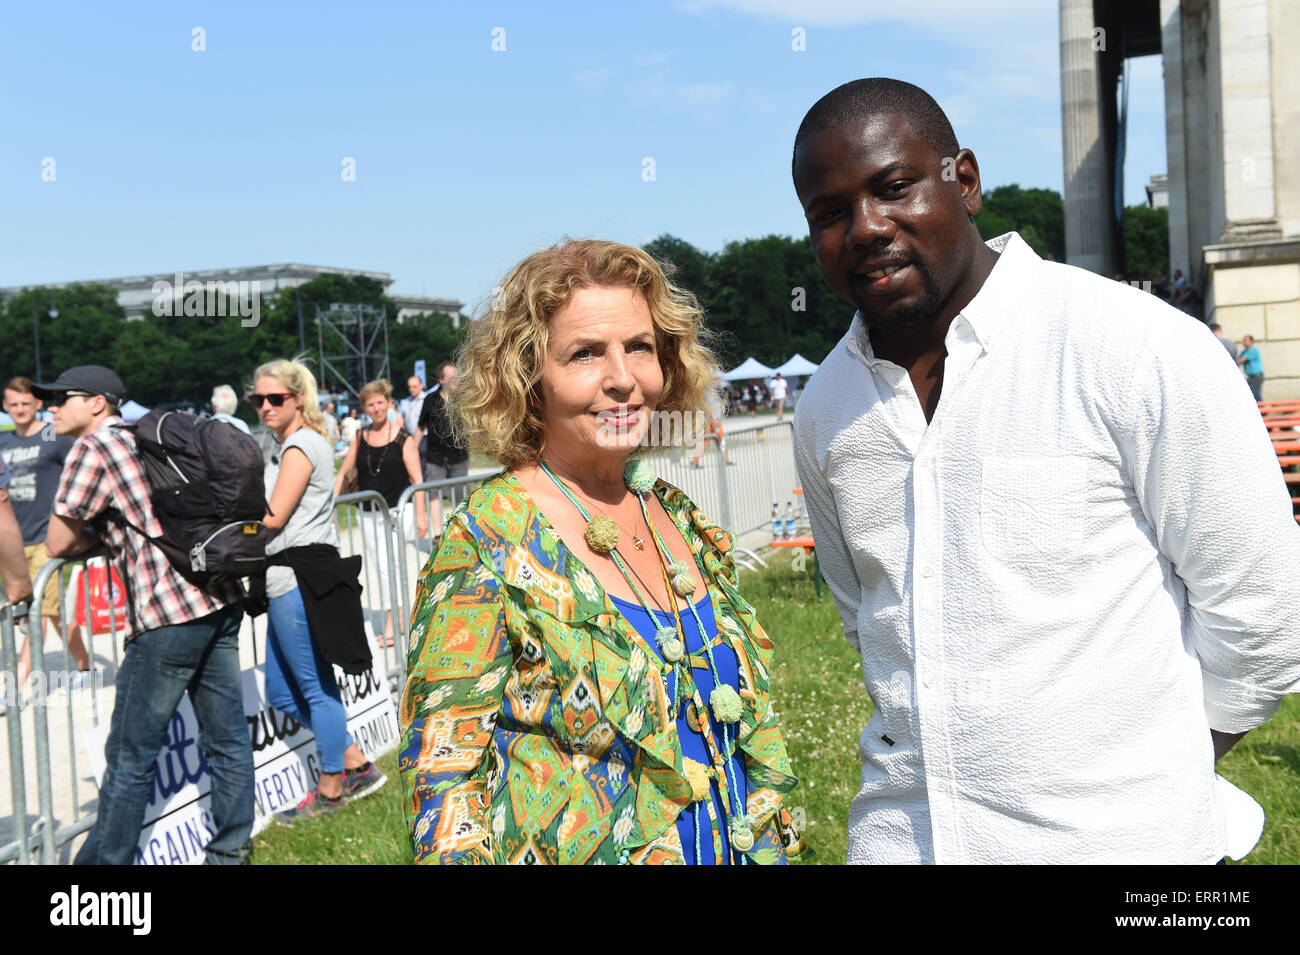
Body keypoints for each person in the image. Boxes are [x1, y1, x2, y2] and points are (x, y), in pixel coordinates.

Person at [789, 78, 1300, 864]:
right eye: (829, 212)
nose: (865, 228)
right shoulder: (825, 408)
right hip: (902, 840)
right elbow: (870, 620)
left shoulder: (1135, 347)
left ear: (964, 181)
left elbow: (1264, 613)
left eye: (894, 188)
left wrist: (1144, 772)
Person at [400, 239, 805, 865]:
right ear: (528, 377)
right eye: (585, 354)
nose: (622, 378)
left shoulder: (674, 514)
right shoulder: (485, 541)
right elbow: (442, 781)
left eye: (639, 347)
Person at [35, 365, 253, 865]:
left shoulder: (93, 449)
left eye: (60, 398)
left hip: (165, 614)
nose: (51, 407)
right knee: (228, 741)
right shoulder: (150, 439)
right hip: (217, 597)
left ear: (96, 403)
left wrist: (99, 536)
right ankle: (230, 854)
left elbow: (57, 541)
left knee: (131, 756)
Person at [251, 360, 387, 822]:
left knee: (314, 689)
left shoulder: (300, 444)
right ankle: (355, 761)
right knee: (280, 692)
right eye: (257, 399)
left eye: (275, 398)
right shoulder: (289, 444)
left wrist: (224, 530)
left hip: (299, 578)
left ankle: (331, 790)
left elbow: (272, 517)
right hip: (285, 577)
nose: (265, 407)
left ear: (297, 398)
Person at [1, 377, 90, 694]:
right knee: (53, 615)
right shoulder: (4, 442)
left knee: (38, 611)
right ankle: (85, 665)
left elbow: (81, 467)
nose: (20, 409)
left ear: (37, 404)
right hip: (12, 541)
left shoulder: (55, 435)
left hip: (45, 538)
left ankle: (13, 688)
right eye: (14, 404)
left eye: (26, 403)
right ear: (5, 406)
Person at [334, 379, 427, 646]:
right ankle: (399, 614)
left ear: (388, 403)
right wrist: (332, 504)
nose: (376, 408)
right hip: (368, 513)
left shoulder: (403, 438)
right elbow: (344, 471)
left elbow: (417, 479)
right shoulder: (361, 437)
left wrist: (421, 515)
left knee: (390, 566)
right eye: (370, 404)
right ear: (364, 407)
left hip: (399, 511)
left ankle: (390, 621)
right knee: (383, 566)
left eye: (380, 402)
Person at [414, 361, 468, 539]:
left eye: (457, 376)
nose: (456, 380)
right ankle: (438, 534)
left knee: (460, 494)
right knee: (434, 493)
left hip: (459, 455)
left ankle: (460, 532)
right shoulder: (430, 400)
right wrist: (412, 451)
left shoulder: (463, 397)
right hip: (435, 456)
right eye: (451, 377)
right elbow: (420, 427)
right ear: (441, 380)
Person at [397, 375, 434, 480]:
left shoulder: (427, 399)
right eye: (409, 387)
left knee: (424, 462)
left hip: (425, 437)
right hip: (409, 436)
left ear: (421, 386)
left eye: (414, 386)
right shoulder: (405, 402)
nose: (412, 389)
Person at [1238, 334, 1264, 402]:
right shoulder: (1244, 352)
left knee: (1256, 394)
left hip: (1256, 376)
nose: (1244, 342)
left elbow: (1240, 360)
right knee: (1251, 393)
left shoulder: (1253, 350)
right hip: (1250, 376)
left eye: (1246, 340)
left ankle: (1262, 410)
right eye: (1243, 341)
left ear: (1252, 341)